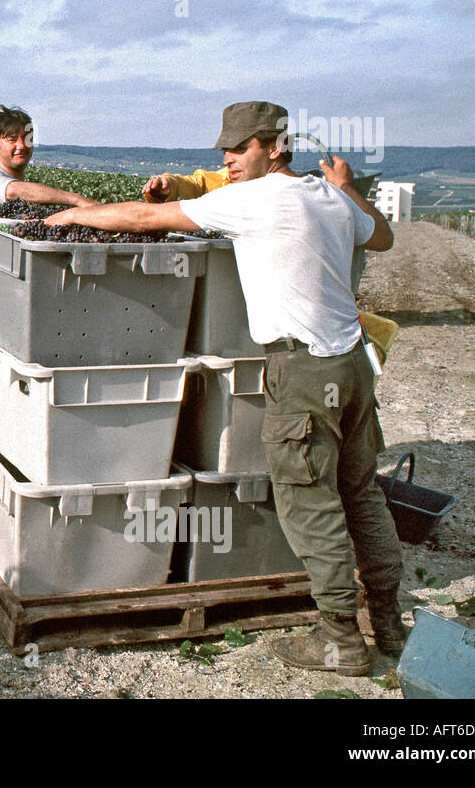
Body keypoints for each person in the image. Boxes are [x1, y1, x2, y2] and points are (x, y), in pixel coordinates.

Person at [43, 101, 404, 677]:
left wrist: (67, 221)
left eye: (240, 149)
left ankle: (340, 640)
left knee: (311, 503)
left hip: (305, 373)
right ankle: (388, 622)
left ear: (275, 147)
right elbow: (381, 236)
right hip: (355, 368)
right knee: (361, 493)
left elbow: (143, 220)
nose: (229, 160)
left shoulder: (252, 201)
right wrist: (347, 186)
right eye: (226, 151)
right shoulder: (328, 196)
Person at [0, 105, 99, 208]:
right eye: (12, 139)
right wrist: (76, 199)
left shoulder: (17, 181)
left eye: (27, 139)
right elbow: (13, 190)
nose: (21, 145)